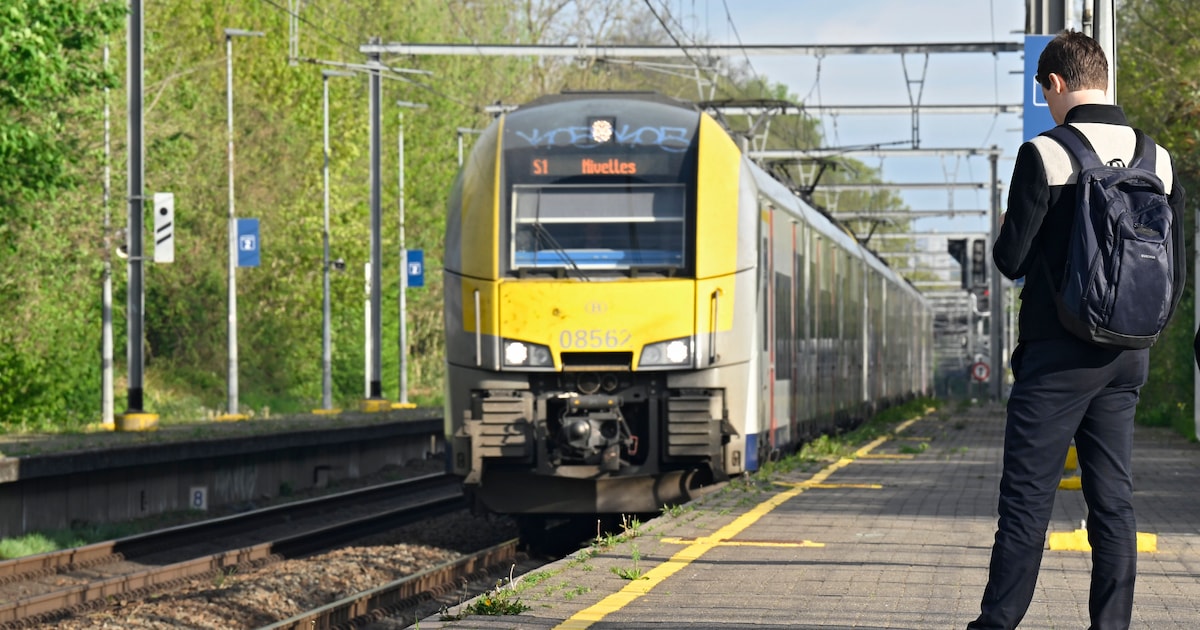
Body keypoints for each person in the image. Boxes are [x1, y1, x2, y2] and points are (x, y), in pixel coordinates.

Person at [970, 30, 1186, 630]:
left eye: (1045, 93)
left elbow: (1011, 261)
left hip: (1057, 355)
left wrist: (1015, 222)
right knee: (1113, 501)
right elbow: (1180, 270)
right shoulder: (1159, 159)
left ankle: (997, 624)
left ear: (1056, 84)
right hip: (1128, 355)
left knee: (1027, 500)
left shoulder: (1045, 154)